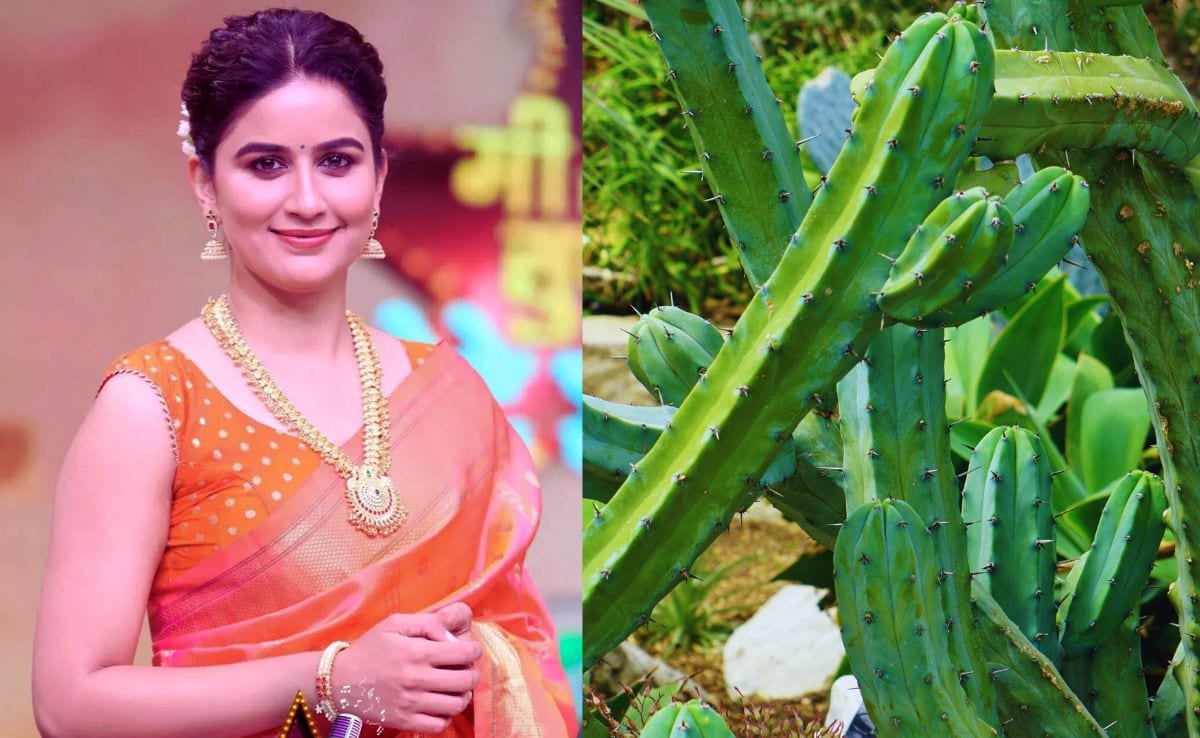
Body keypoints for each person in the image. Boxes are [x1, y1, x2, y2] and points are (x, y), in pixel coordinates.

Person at [31, 8, 576, 737]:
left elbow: (523, 647)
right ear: (205, 185)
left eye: (338, 161)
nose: (308, 200)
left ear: (380, 178)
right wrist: (331, 681)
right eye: (265, 164)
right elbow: (69, 707)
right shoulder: (153, 405)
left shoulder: (450, 390)